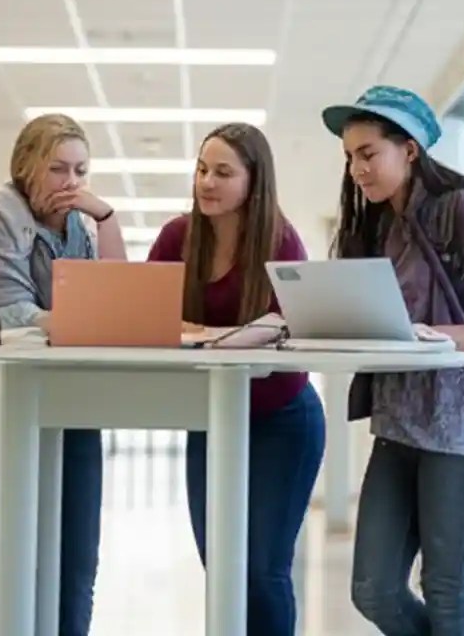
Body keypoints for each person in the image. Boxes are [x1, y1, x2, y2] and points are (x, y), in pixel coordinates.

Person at [322, 86, 464, 635]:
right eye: (350, 157)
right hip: (399, 424)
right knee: (372, 589)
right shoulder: (375, 226)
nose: (357, 170)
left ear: (411, 149)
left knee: (444, 589)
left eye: (368, 153)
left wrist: (436, 338)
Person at [147, 122, 326, 636]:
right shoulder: (177, 237)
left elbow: (286, 323)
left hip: (283, 420)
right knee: (220, 566)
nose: (207, 182)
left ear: (254, 181)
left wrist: (199, 332)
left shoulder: (280, 240)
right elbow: (143, 311)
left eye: (223, 172)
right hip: (212, 417)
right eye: (203, 169)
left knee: (263, 571)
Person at [0, 113, 126, 636]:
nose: (71, 183)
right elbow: (13, 312)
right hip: (6, 408)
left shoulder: (79, 224)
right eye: (58, 169)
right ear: (27, 166)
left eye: (80, 170)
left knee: (77, 562)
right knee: (13, 563)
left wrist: (108, 216)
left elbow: (115, 295)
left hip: (73, 402)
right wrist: (87, 319)